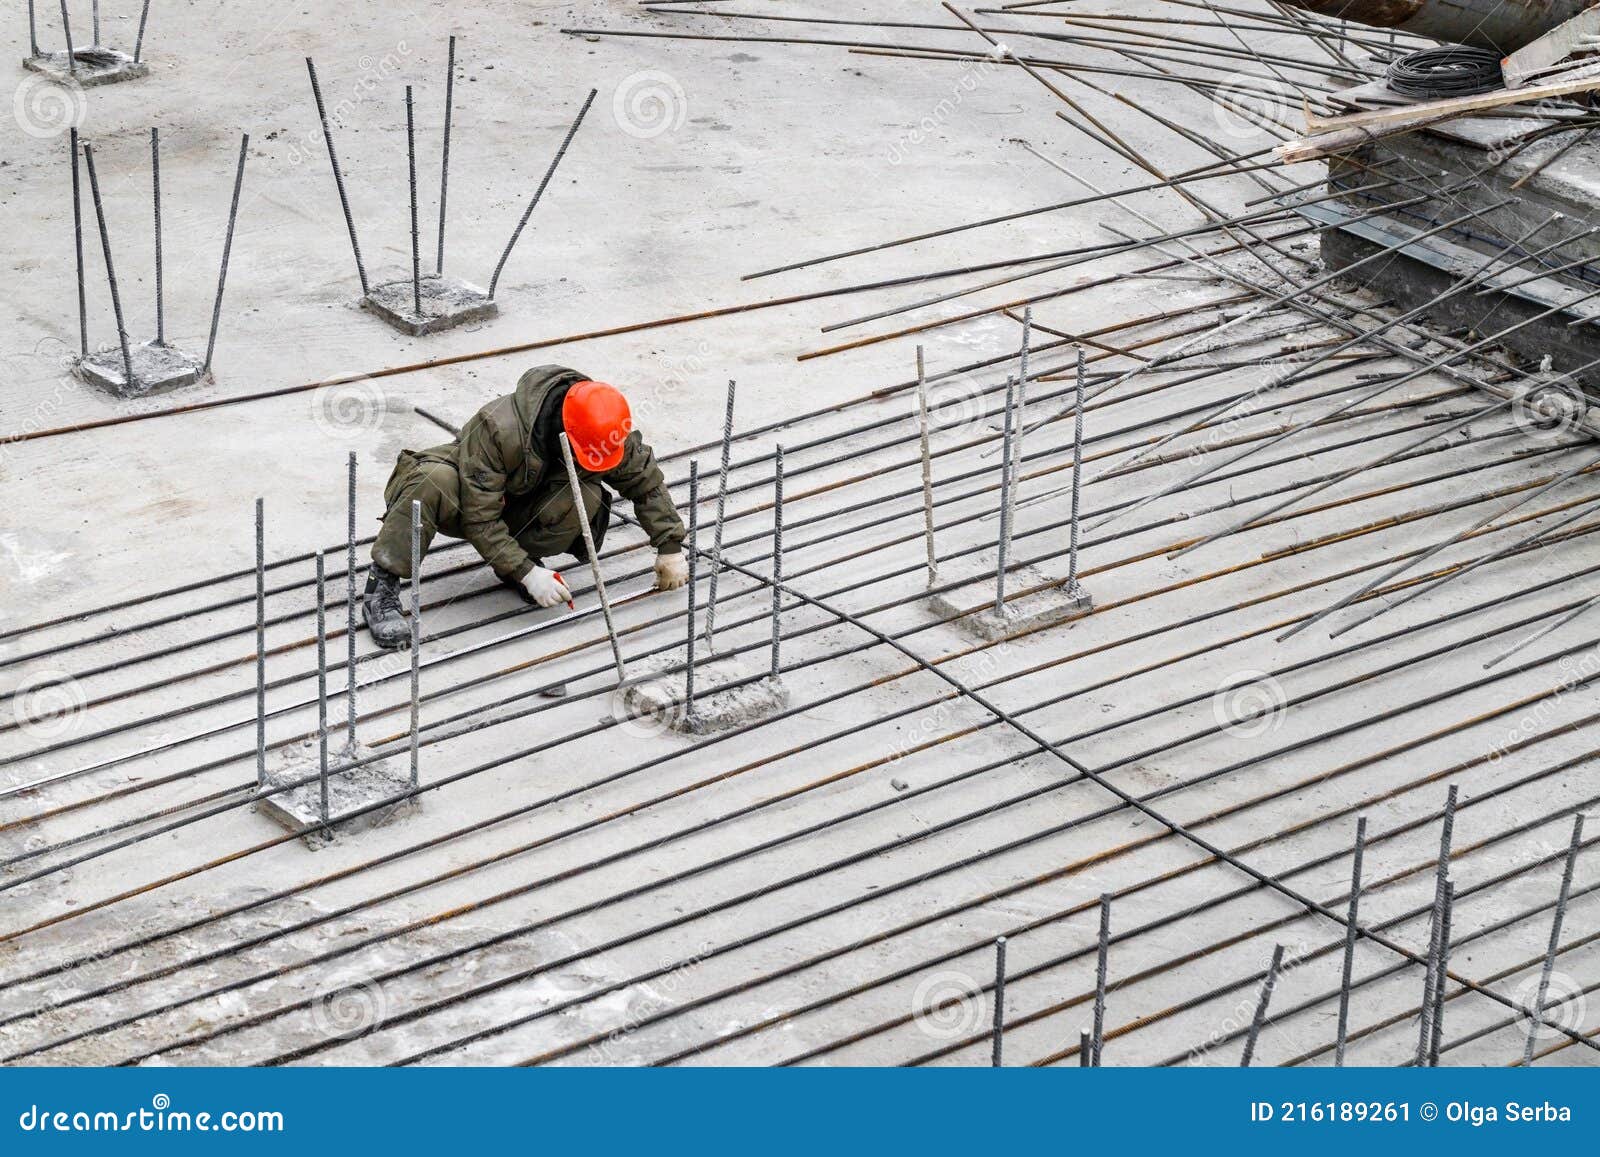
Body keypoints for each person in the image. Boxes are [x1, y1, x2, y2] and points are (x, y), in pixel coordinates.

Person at [362, 365, 688, 649]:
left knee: (584, 495)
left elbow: (646, 482)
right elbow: (480, 518)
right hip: (468, 501)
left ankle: (514, 563)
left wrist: (669, 545)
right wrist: (527, 573)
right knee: (431, 481)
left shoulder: (602, 426)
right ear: (565, 432)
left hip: (519, 505)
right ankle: (382, 587)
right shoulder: (499, 427)